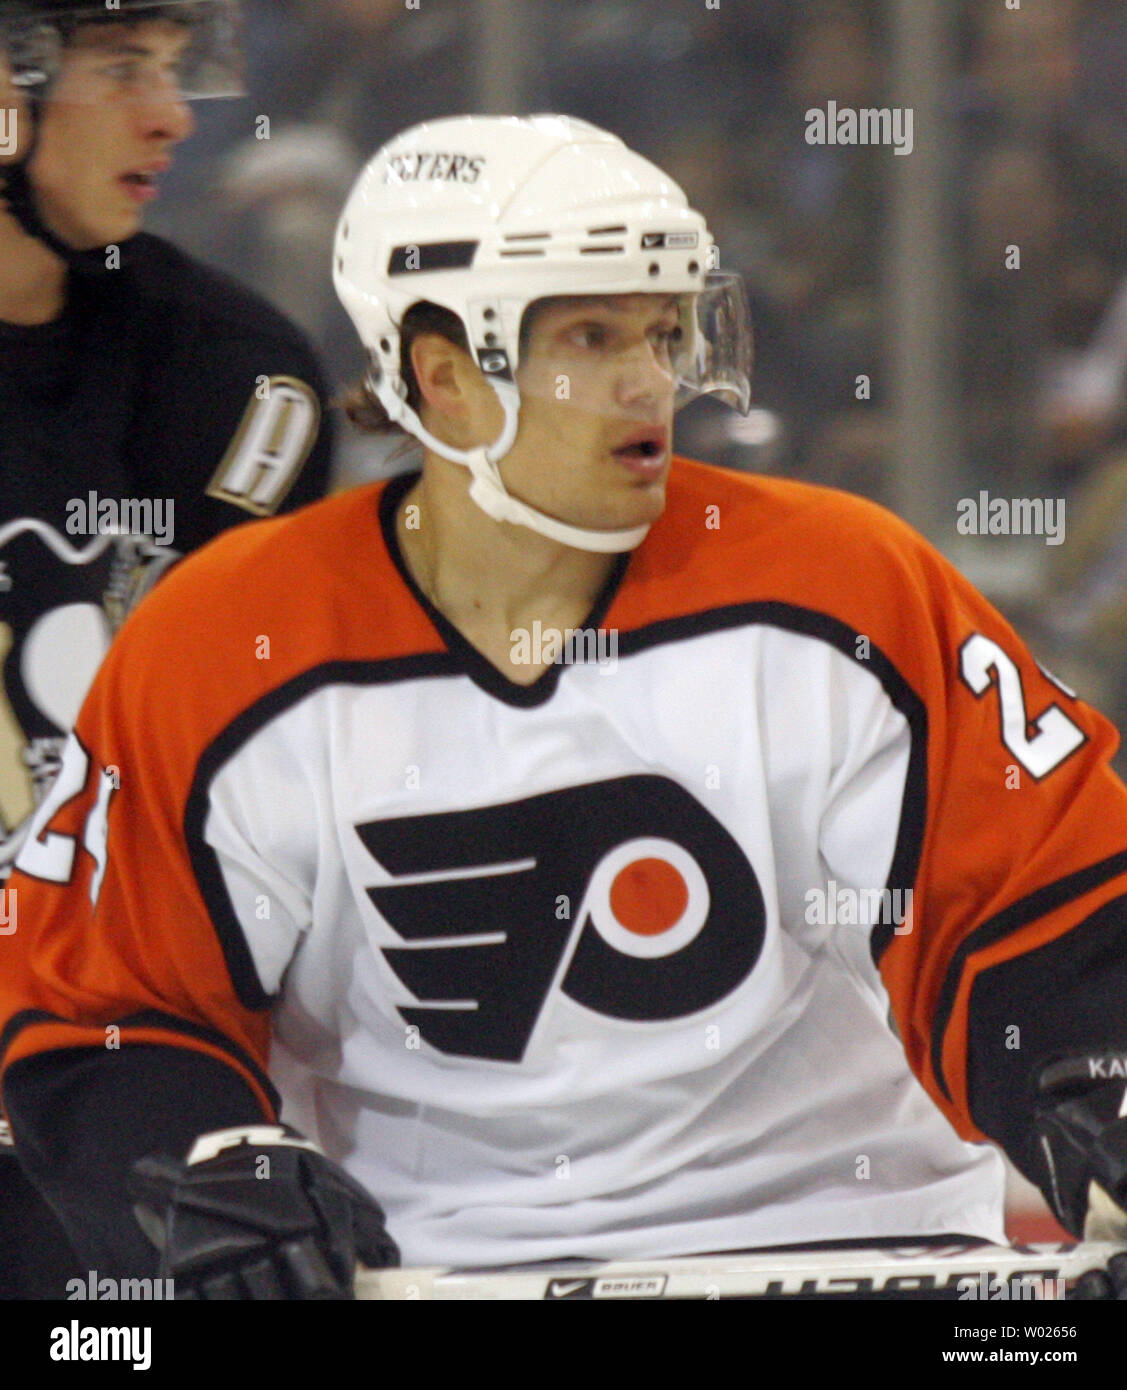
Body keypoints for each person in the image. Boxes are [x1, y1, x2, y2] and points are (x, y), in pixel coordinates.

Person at [3, 112, 1127, 1300]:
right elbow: (107, 1011)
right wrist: (205, 1165)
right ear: (440, 375)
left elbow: (1035, 912)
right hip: (433, 1278)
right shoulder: (223, 643)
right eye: (590, 336)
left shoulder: (847, 587)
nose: (650, 381)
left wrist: (1084, 1068)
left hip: (858, 1257)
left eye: (663, 328)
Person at [0, 0, 332, 1297]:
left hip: (110, 1074)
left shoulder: (233, 381)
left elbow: (264, 775)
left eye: (176, 71)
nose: (172, 113)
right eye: (124, 69)